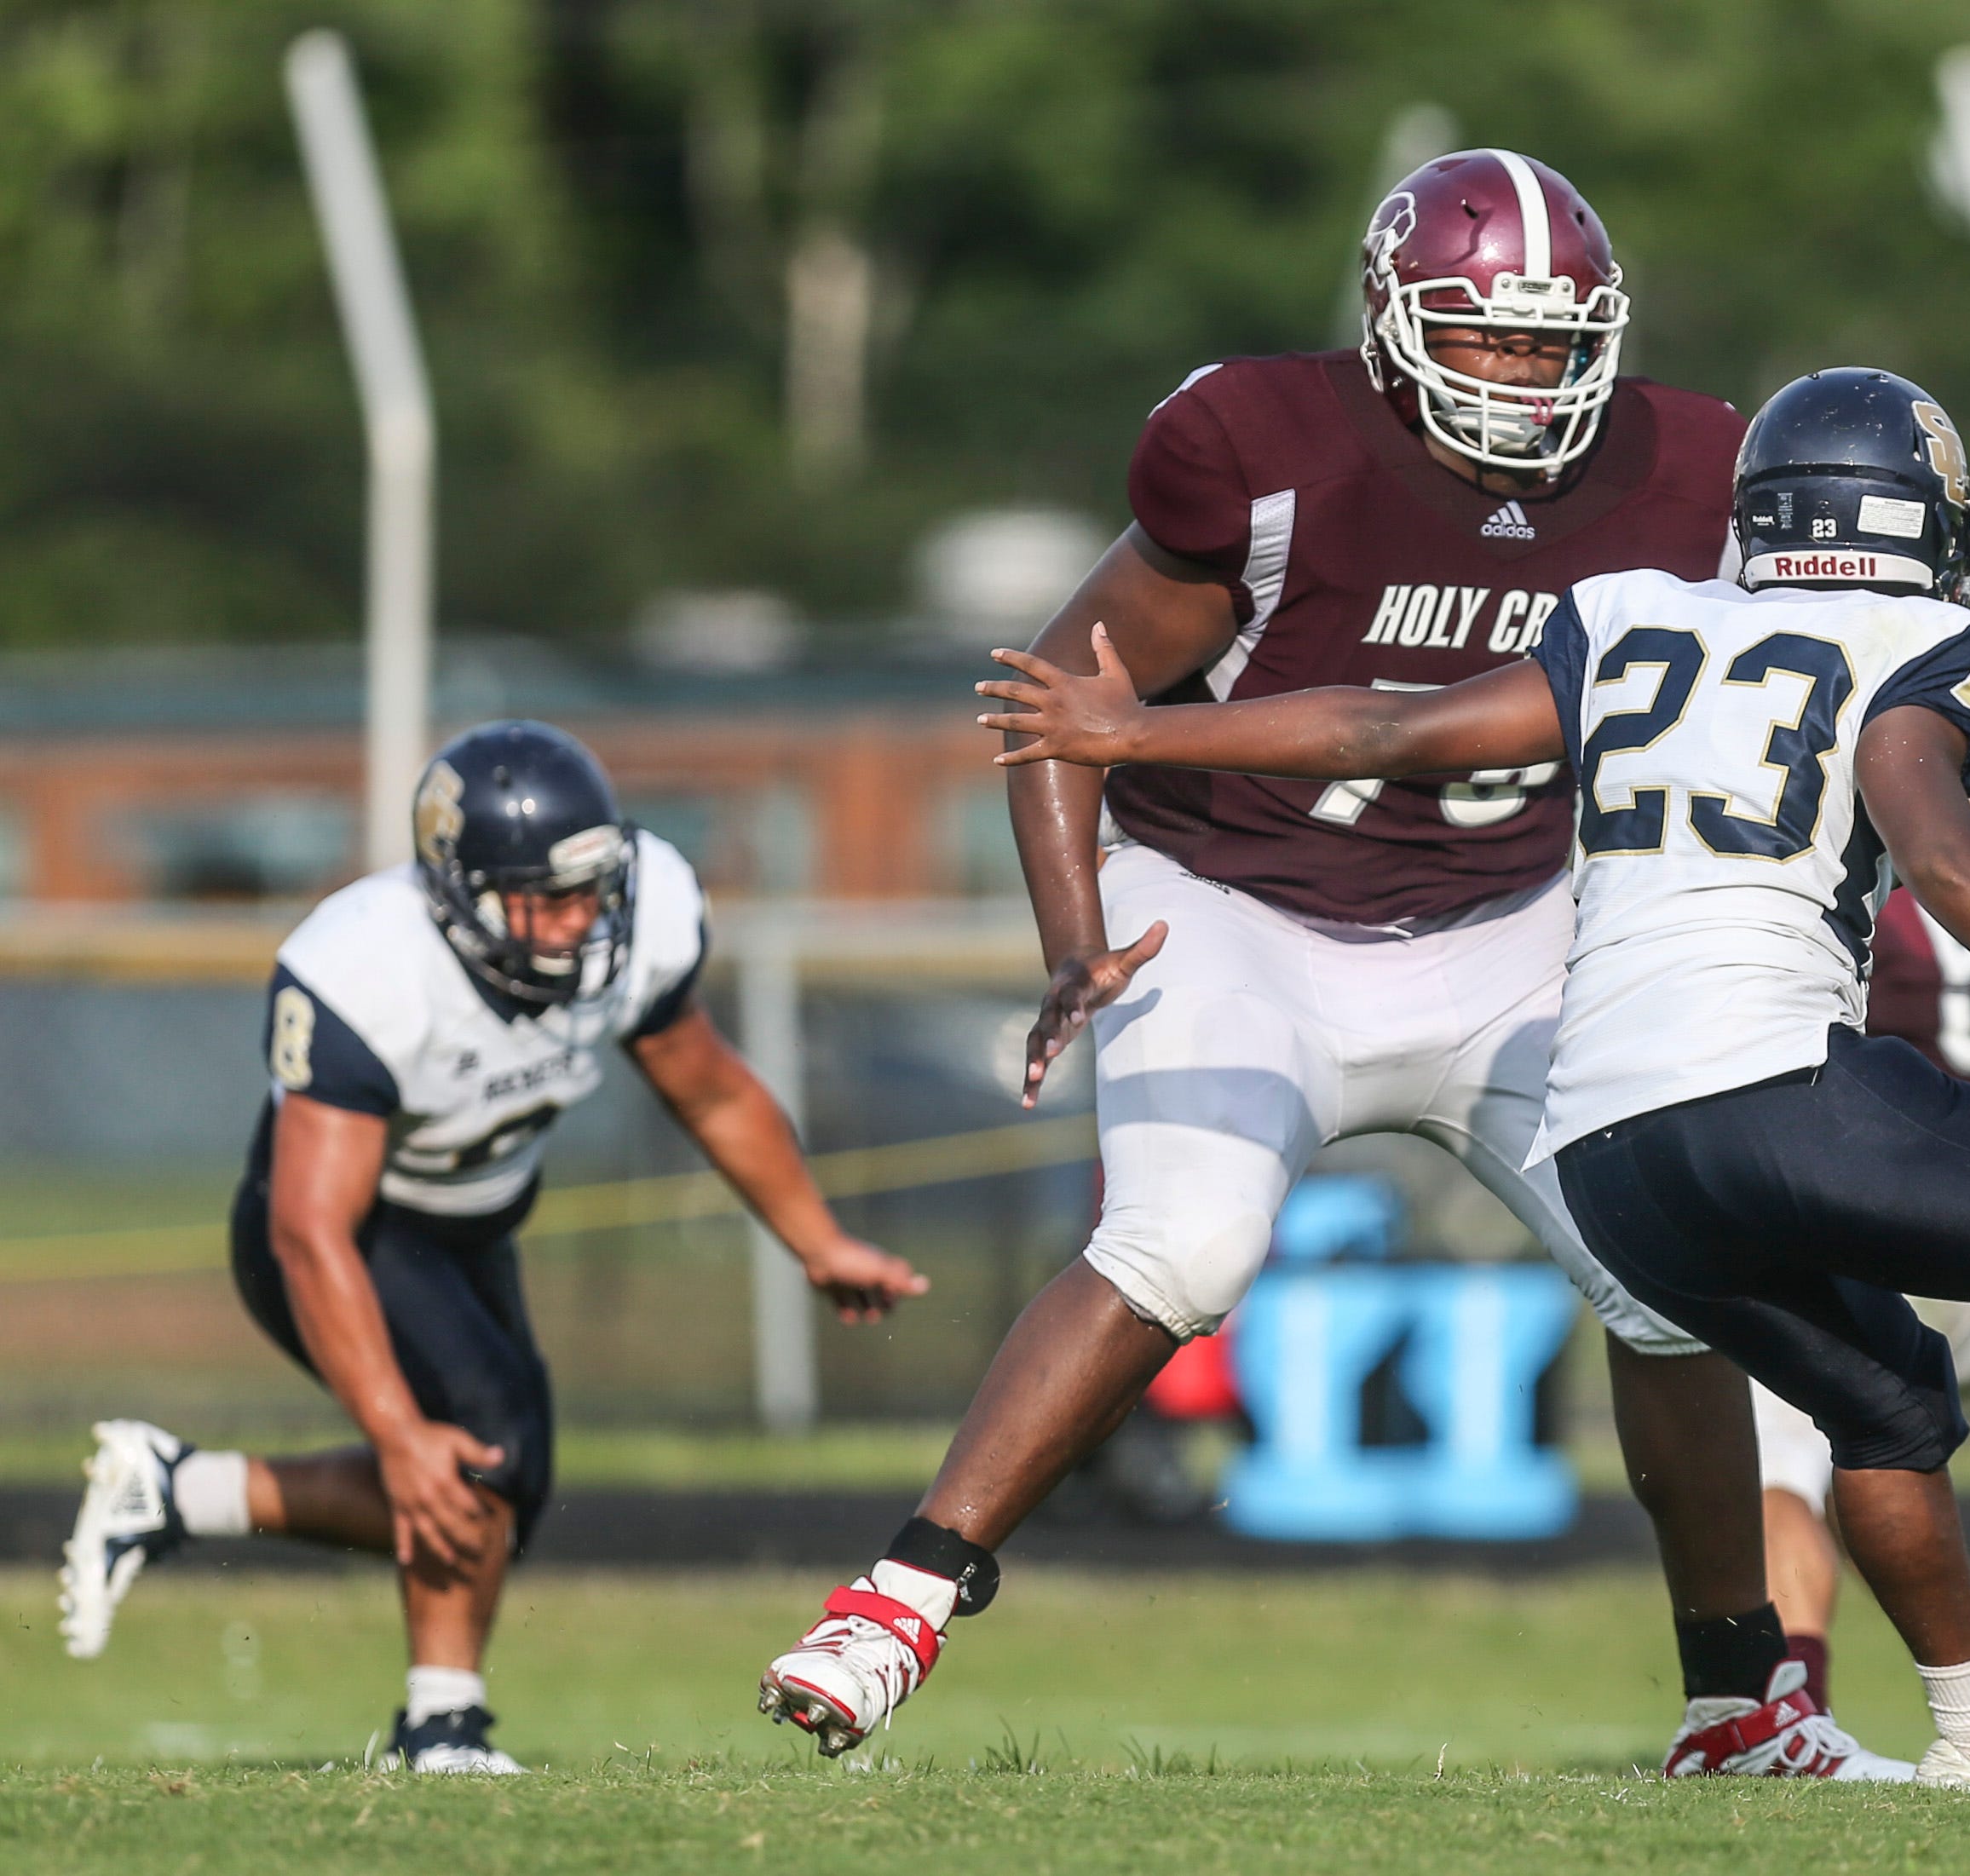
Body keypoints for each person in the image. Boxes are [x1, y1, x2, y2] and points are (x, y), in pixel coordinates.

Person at [977, 366, 1970, 1785]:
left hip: (1603, 1150)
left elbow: (1384, 732)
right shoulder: (1929, 642)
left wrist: (1135, 728)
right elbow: (1936, 846)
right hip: (1777, 1084)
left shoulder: (1630, 617)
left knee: (1882, 1403)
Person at [762, 149, 1903, 1781]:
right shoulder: (1260, 447)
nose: (1518, 370)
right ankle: (896, 1600)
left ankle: (1738, 1704)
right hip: (1233, 902)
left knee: (1674, 1266)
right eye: (1484, 332)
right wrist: (1072, 941)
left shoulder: (1687, 468)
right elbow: (1055, 712)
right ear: (1390, 318)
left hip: (1512, 923)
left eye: (1548, 338)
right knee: (1187, 1238)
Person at [59, 721, 925, 1773]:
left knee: (505, 1477)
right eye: (544, 898)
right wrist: (391, 1429)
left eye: (590, 892)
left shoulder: (638, 915)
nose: (575, 924)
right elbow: (308, 1226)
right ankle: (440, 1726)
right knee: (471, 1458)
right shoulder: (367, 968)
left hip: (477, 1219)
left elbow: (708, 1086)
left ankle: (187, 1497)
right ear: (459, 891)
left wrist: (817, 1240)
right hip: (345, 1235)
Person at [1755, 887, 1970, 1711]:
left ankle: (1788, 1716)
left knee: (1775, 1470)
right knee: (1868, 1455)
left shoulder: (1828, 894)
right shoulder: (1953, 902)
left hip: (1887, 1236)